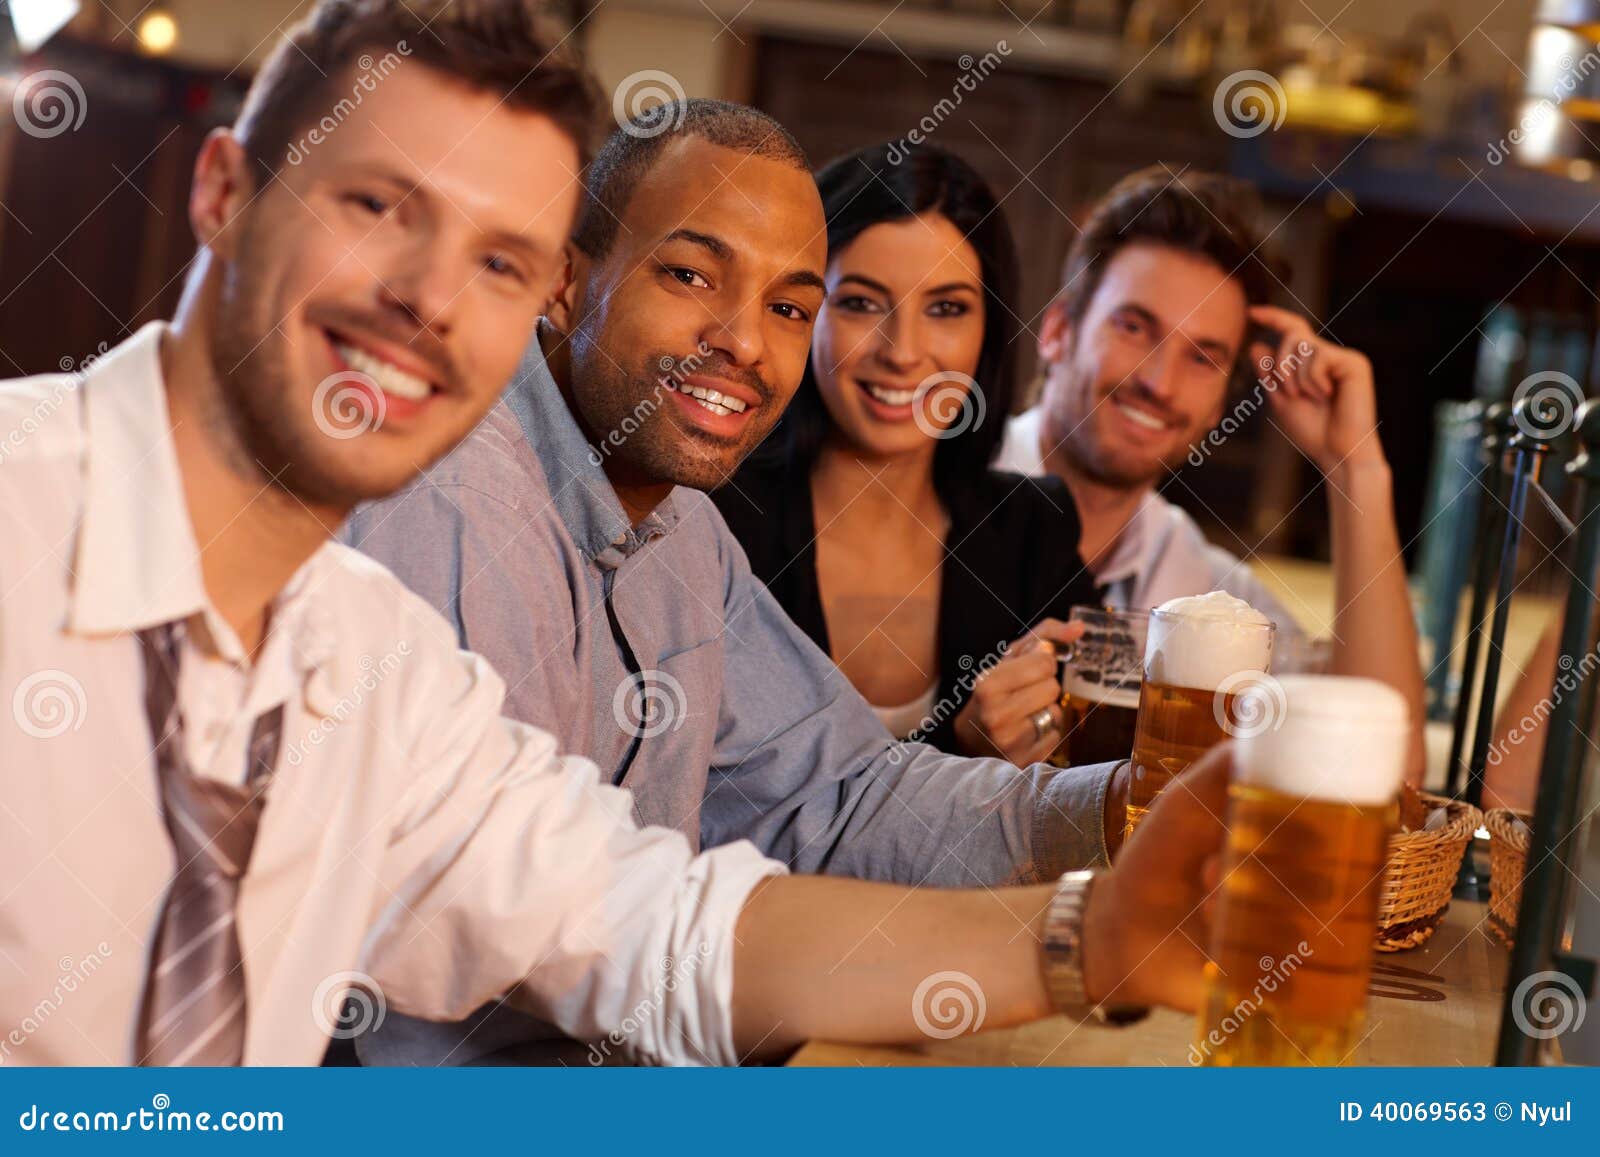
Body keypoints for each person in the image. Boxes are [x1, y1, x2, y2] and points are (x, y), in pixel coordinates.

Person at [0, 0, 1220, 1068]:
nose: (430, 299)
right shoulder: (29, 509)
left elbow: (657, 924)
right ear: (223, 192)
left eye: (497, 260)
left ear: (540, 290)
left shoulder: (374, 656)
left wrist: (1096, 930)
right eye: (378, 205)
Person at [340, 101, 1131, 1064]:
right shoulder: (457, 501)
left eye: (790, 307)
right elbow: (540, 935)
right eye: (688, 274)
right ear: (563, 278)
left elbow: (839, 799)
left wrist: (1121, 810)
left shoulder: (686, 534)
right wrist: (1068, 941)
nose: (747, 344)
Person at [994, 166, 1427, 778]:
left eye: (1202, 357)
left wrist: (1352, 467)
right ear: (1059, 331)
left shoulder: (1208, 600)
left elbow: (1388, 771)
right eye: (1134, 326)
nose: (1158, 382)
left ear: (1224, 400)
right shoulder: (930, 499)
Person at [713, 142, 1099, 766]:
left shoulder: (1034, 531)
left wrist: (1050, 744)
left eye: (946, 309)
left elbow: (1101, 778)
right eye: (861, 303)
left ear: (988, 332)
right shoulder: (710, 515)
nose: (902, 351)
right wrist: (966, 758)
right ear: (801, 312)